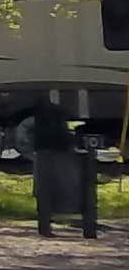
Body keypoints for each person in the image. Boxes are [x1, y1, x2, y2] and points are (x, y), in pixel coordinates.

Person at [27, 102, 100, 240]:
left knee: (44, 195)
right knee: (88, 195)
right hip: (73, 188)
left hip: (49, 186)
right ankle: (89, 231)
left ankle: (44, 227)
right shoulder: (73, 149)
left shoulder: (41, 150)